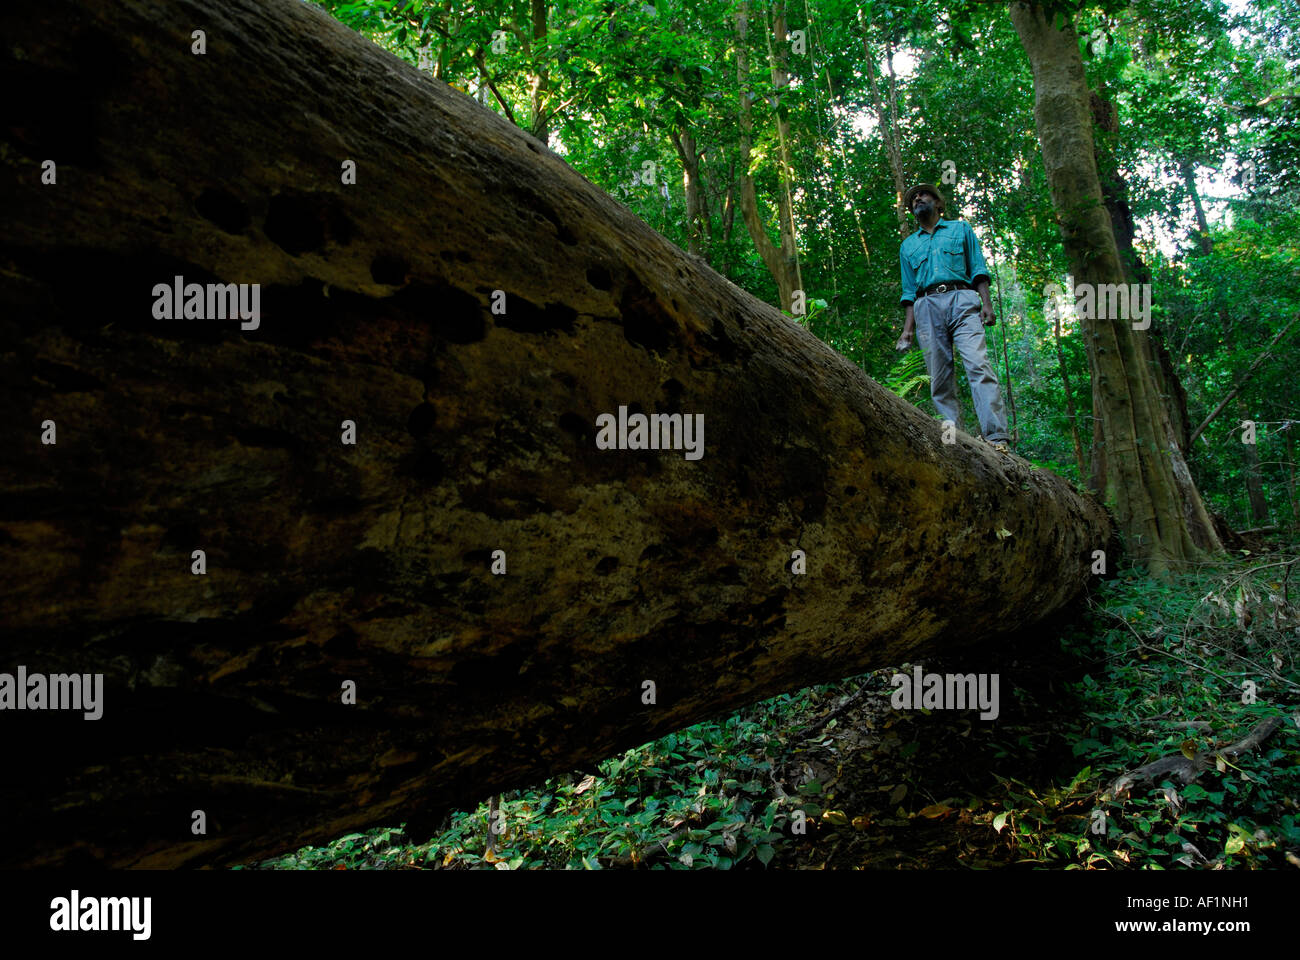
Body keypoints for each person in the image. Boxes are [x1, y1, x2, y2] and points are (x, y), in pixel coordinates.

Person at [895, 183, 1010, 453]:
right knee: (939, 377)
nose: (917, 199)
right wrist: (906, 331)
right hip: (926, 307)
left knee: (978, 364)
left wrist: (987, 304)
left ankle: (997, 438)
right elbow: (909, 291)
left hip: (963, 300)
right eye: (912, 199)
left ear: (938, 204)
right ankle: (953, 440)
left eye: (923, 195)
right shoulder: (908, 246)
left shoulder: (960, 229)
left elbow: (978, 269)